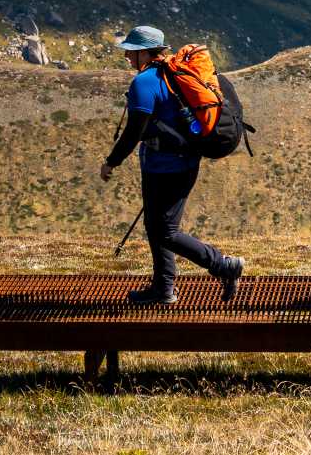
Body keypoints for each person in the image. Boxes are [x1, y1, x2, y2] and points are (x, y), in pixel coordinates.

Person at [100, 25, 244, 305]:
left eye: (132, 53)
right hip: (182, 162)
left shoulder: (146, 83)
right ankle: (163, 289)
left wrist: (111, 162)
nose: (128, 58)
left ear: (145, 53)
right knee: (158, 226)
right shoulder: (169, 75)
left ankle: (224, 266)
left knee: (165, 230)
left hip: (164, 167)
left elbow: (134, 132)